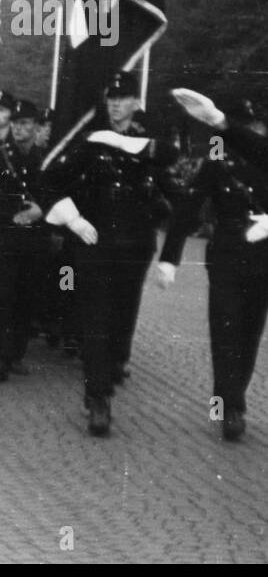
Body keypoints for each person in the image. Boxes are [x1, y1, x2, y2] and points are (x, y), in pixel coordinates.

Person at [42, 71, 181, 436]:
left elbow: (171, 160)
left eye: (124, 99)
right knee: (96, 319)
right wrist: (71, 219)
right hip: (95, 244)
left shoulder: (148, 141)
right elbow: (49, 181)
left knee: (123, 317)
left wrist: (122, 143)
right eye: (112, 99)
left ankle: (113, 366)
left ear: (137, 102)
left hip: (135, 245)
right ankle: (98, 397)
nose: (116, 105)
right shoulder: (88, 142)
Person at [158, 99, 268, 441]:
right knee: (225, 328)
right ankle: (230, 406)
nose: (250, 132)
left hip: (264, 255)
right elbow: (190, 205)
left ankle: (230, 395)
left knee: (249, 331)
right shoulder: (219, 159)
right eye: (244, 126)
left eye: (254, 127)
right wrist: (169, 257)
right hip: (226, 253)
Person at [0, 98, 51, 381]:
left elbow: (54, 193)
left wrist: (41, 211)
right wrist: (13, 213)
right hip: (7, 236)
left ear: (36, 128)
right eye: (16, 124)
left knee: (26, 297)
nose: (20, 129)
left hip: (35, 239)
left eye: (26, 124)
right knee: (1, 296)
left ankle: (16, 354)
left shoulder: (45, 158)